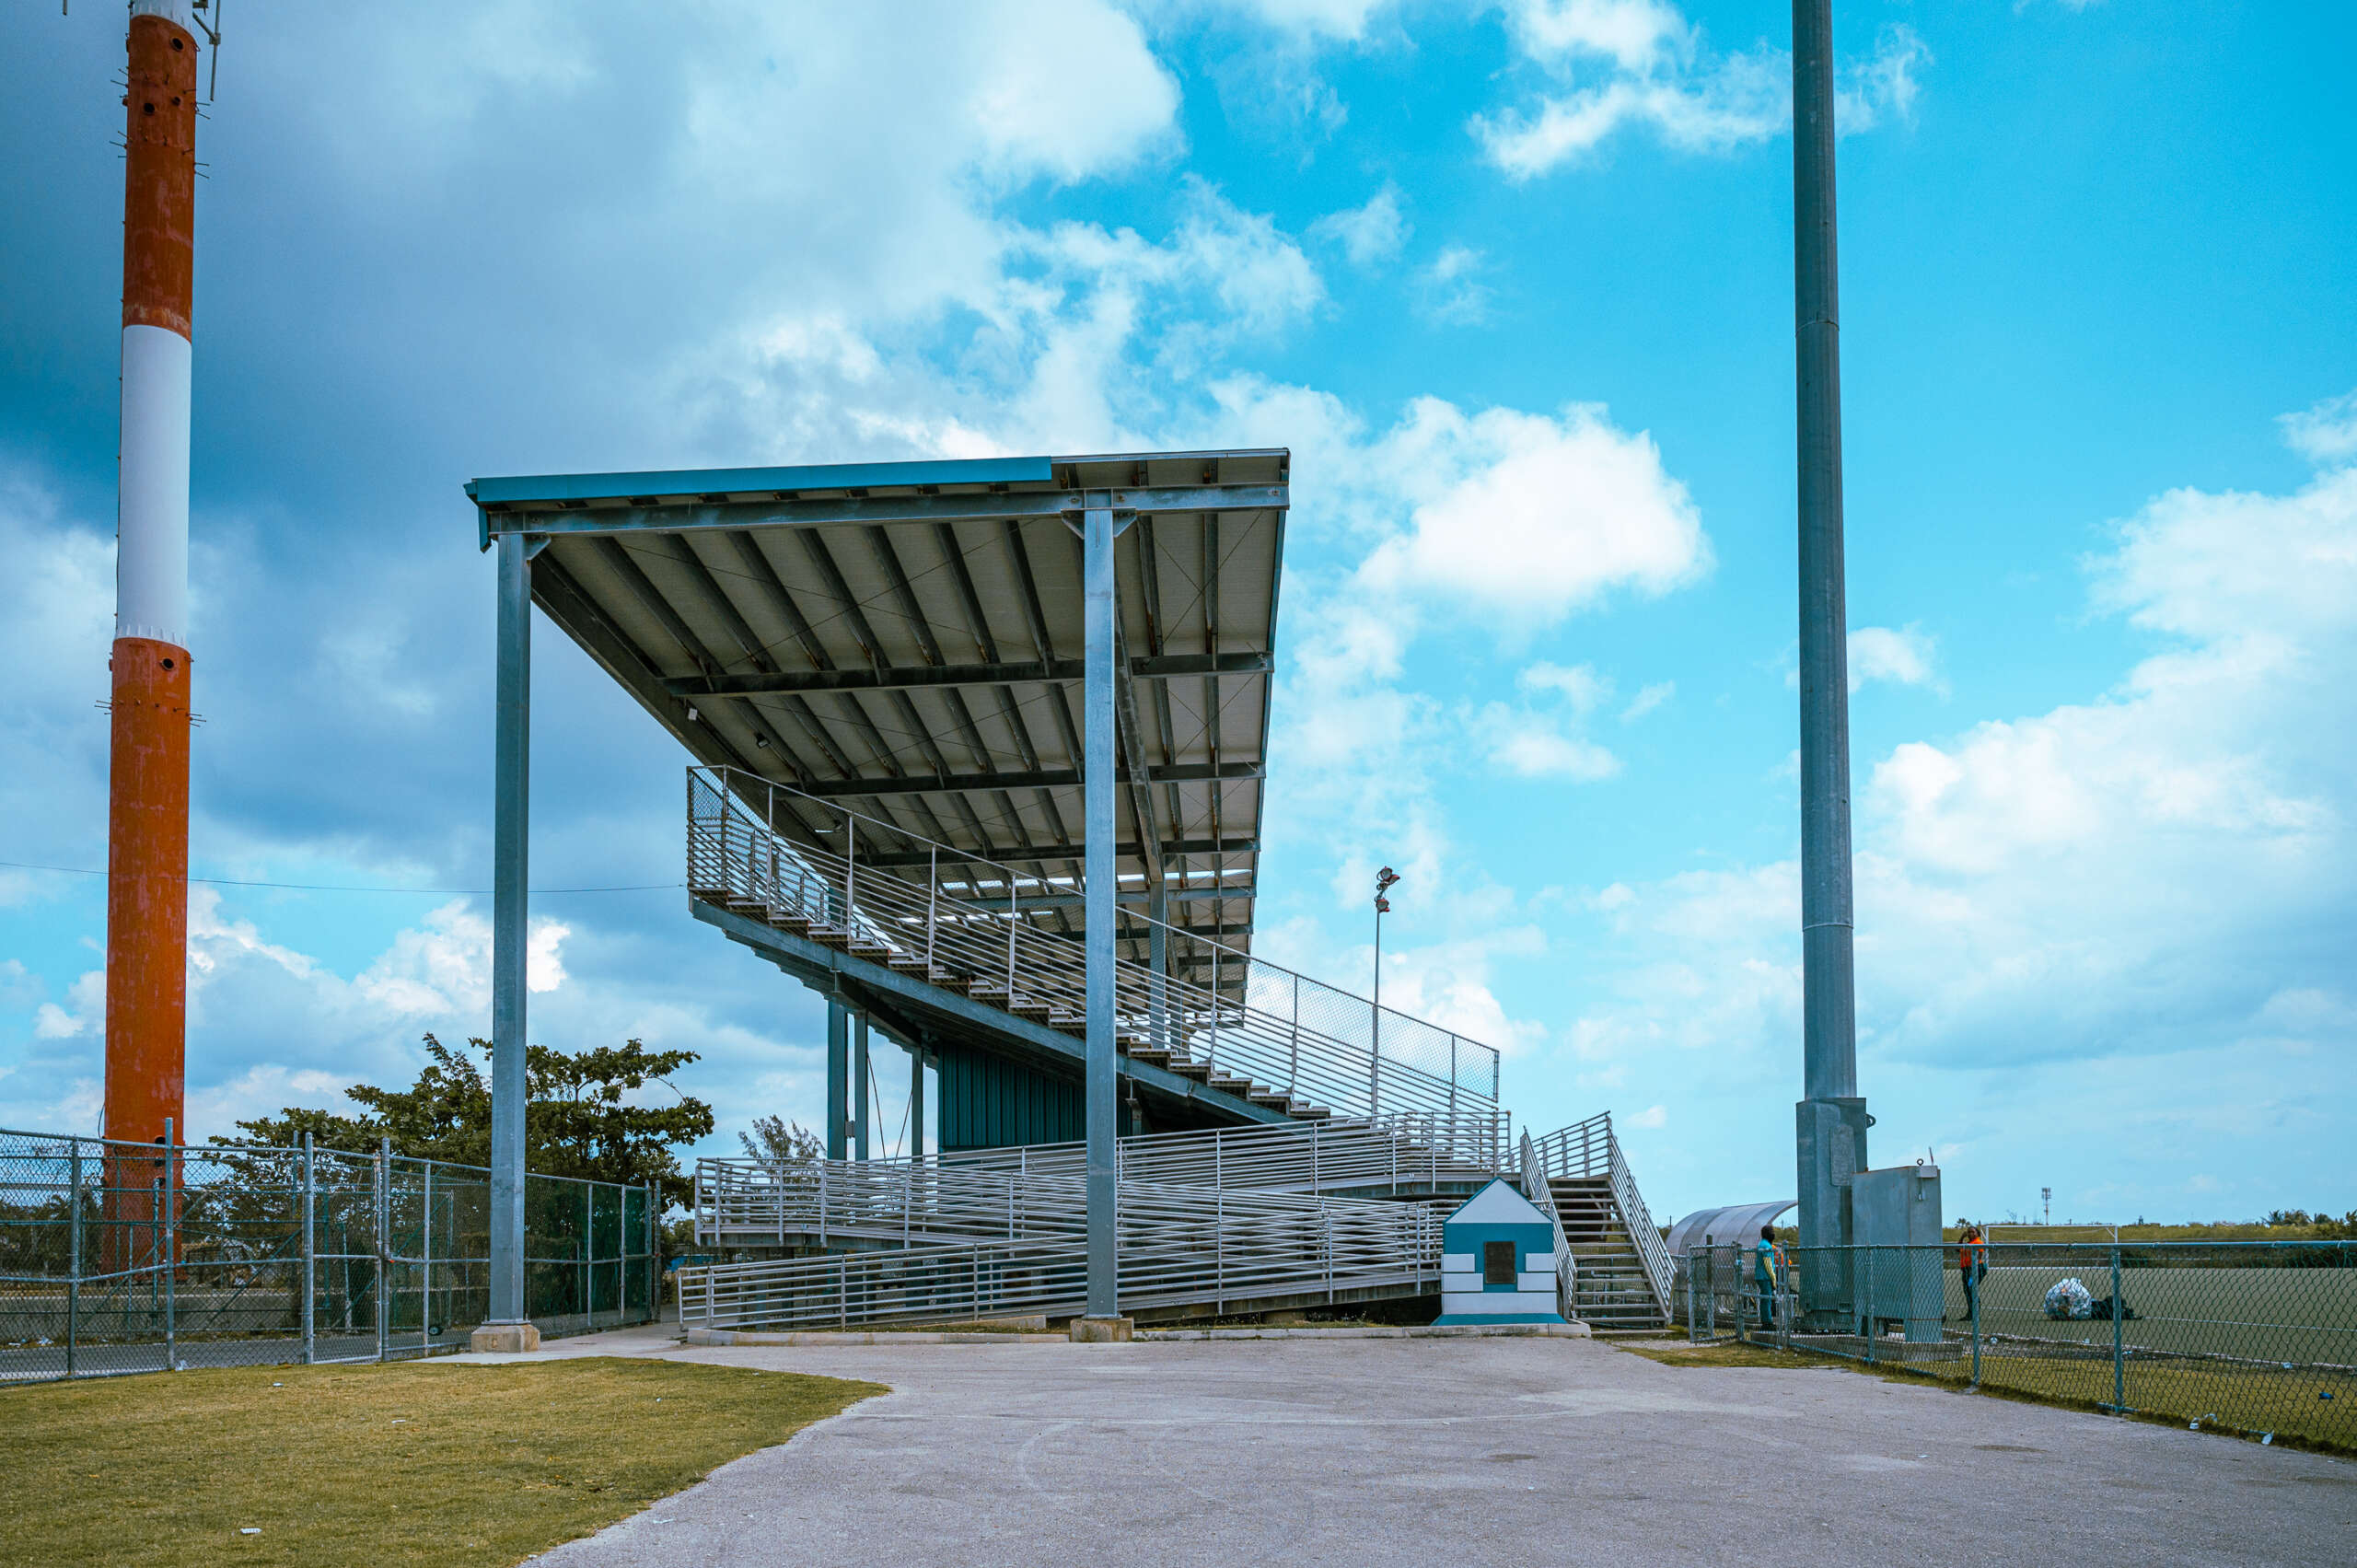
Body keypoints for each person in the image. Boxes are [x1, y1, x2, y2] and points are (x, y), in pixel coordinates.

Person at [1956, 1222, 1988, 1322]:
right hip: (1966, 1269)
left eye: (1973, 1232)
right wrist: (1961, 1238)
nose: (1970, 1234)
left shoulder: (1978, 1242)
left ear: (1977, 1234)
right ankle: (1971, 1312)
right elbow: (1957, 1249)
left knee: (1971, 1288)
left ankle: (1974, 1312)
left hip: (1975, 1269)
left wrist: (1974, 1269)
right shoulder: (1968, 1244)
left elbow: (1979, 1255)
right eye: (1969, 1232)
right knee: (1967, 1290)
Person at [1753, 1225, 1782, 1330]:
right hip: (1765, 1277)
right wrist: (1773, 1277)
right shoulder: (1767, 1246)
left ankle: (1766, 1321)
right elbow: (1768, 1263)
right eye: (1771, 1232)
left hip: (1761, 1276)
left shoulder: (1762, 1244)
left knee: (1765, 1300)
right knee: (1767, 1300)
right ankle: (1767, 1322)